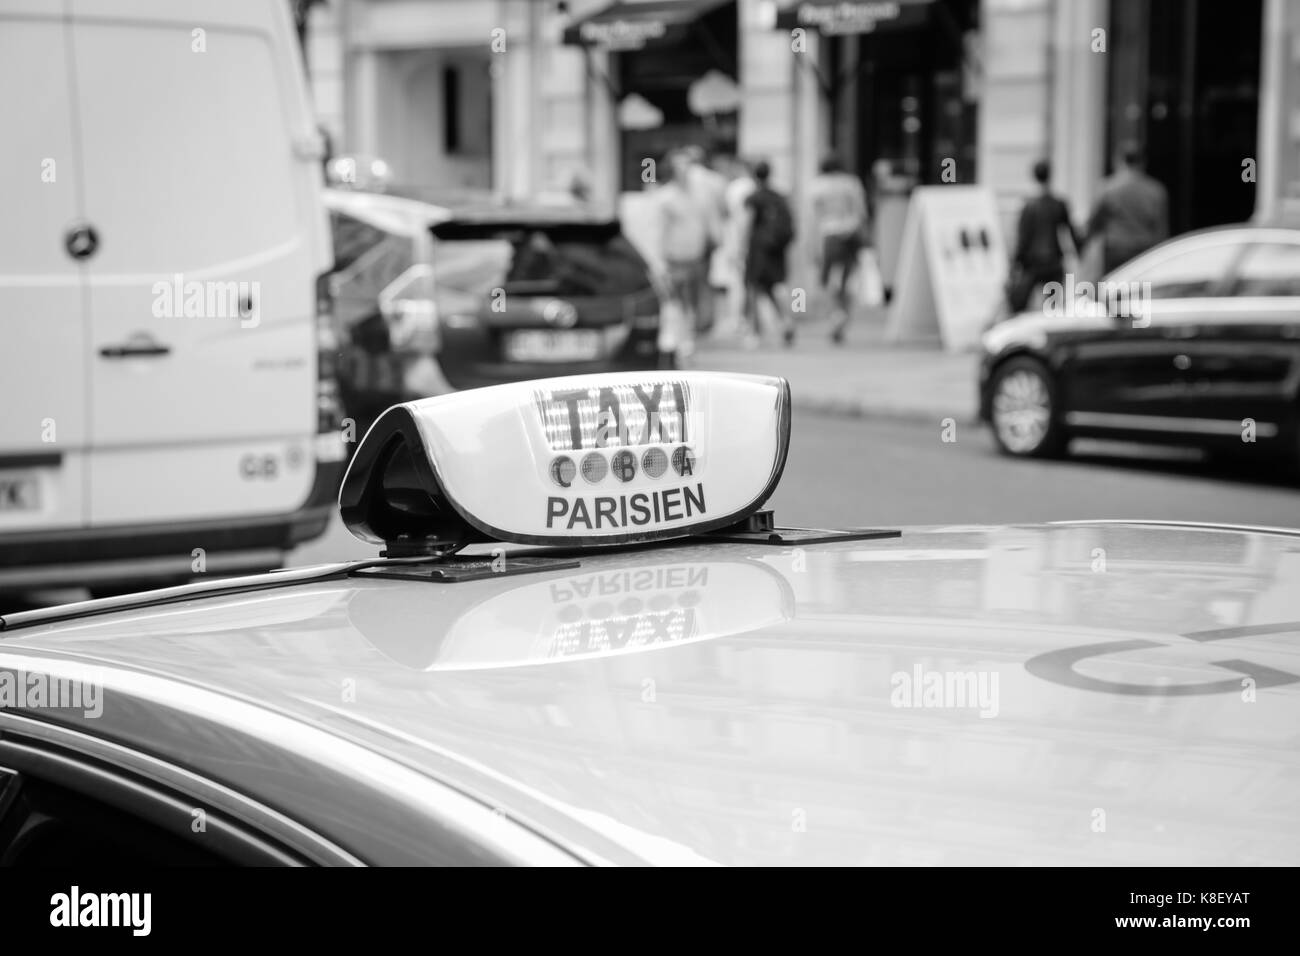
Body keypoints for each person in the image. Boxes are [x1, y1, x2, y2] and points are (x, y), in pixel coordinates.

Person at [650, 152, 711, 365]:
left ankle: (685, 345)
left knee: (691, 306)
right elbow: (658, 232)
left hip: (694, 259)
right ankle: (673, 348)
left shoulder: (696, 196)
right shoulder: (665, 198)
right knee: (675, 306)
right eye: (680, 167)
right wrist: (659, 263)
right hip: (674, 262)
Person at [807, 154, 870, 344]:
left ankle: (836, 314)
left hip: (829, 234)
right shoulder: (851, 183)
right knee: (847, 279)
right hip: (851, 233)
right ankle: (844, 315)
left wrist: (811, 245)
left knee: (827, 280)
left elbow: (812, 218)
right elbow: (861, 212)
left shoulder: (817, 186)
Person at [1084, 144, 1169, 274]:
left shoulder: (1108, 188)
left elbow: (1094, 222)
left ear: (1119, 160)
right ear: (1143, 162)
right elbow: (1161, 228)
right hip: (1144, 249)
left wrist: (1085, 245)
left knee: (1115, 289)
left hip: (1116, 249)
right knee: (1141, 290)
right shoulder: (1155, 190)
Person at [1009, 159, 1081, 312]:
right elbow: (1071, 232)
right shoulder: (1058, 203)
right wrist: (1080, 253)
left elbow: (1023, 238)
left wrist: (1015, 262)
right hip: (1053, 261)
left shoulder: (1029, 206)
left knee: (1019, 306)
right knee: (1052, 308)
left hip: (1033, 263)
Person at [742, 160, 796, 346]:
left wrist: (740, 248)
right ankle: (787, 320)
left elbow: (747, 225)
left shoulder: (754, 198)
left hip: (758, 249)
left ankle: (755, 332)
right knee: (776, 285)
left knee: (755, 288)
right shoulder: (779, 196)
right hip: (777, 249)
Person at [676, 146, 727, 335]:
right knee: (705, 278)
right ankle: (705, 320)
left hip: (686, 237)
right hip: (710, 236)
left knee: (686, 280)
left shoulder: (682, 181)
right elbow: (724, 210)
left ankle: (690, 318)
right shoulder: (716, 180)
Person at [719, 155, 757, 343]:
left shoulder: (736, 188)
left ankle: (739, 321)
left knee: (738, 283)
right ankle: (747, 323)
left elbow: (737, 218)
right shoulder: (753, 187)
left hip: (738, 240)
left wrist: (738, 244)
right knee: (749, 284)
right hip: (750, 242)